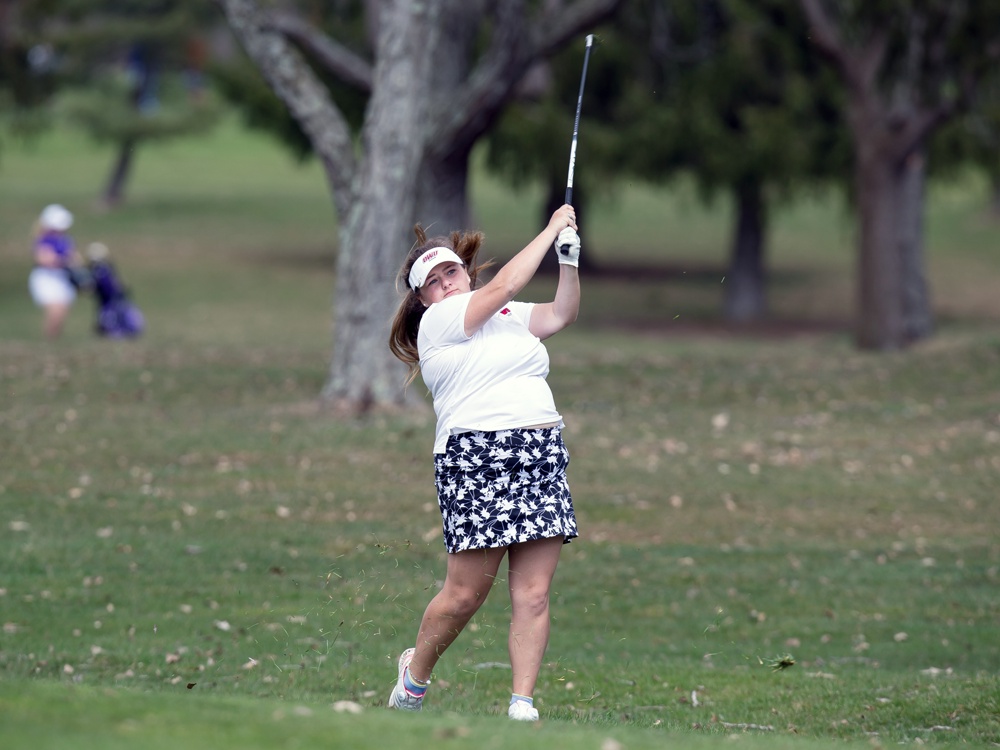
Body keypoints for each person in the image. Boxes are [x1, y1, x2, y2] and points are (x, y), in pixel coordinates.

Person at [386, 204, 583, 721]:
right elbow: (504, 288)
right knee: (465, 594)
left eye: (452, 271)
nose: (447, 283)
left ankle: (522, 704)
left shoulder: (505, 316)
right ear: (422, 297)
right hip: (477, 458)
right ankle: (415, 676)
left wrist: (568, 260)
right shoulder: (439, 322)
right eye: (433, 280)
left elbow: (560, 314)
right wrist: (548, 230)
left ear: (464, 272)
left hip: (539, 451)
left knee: (534, 593)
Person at [28, 204, 85, 339]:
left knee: (62, 312)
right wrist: (65, 261)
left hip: (62, 278)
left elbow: (74, 257)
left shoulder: (65, 239)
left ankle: (54, 340)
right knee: (55, 311)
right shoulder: (42, 240)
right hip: (47, 278)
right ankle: (49, 339)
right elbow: (45, 259)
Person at [86, 242, 145, 338]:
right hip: (109, 302)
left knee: (115, 320)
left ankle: (120, 331)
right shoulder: (103, 269)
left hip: (112, 302)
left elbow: (109, 287)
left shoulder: (101, 270)